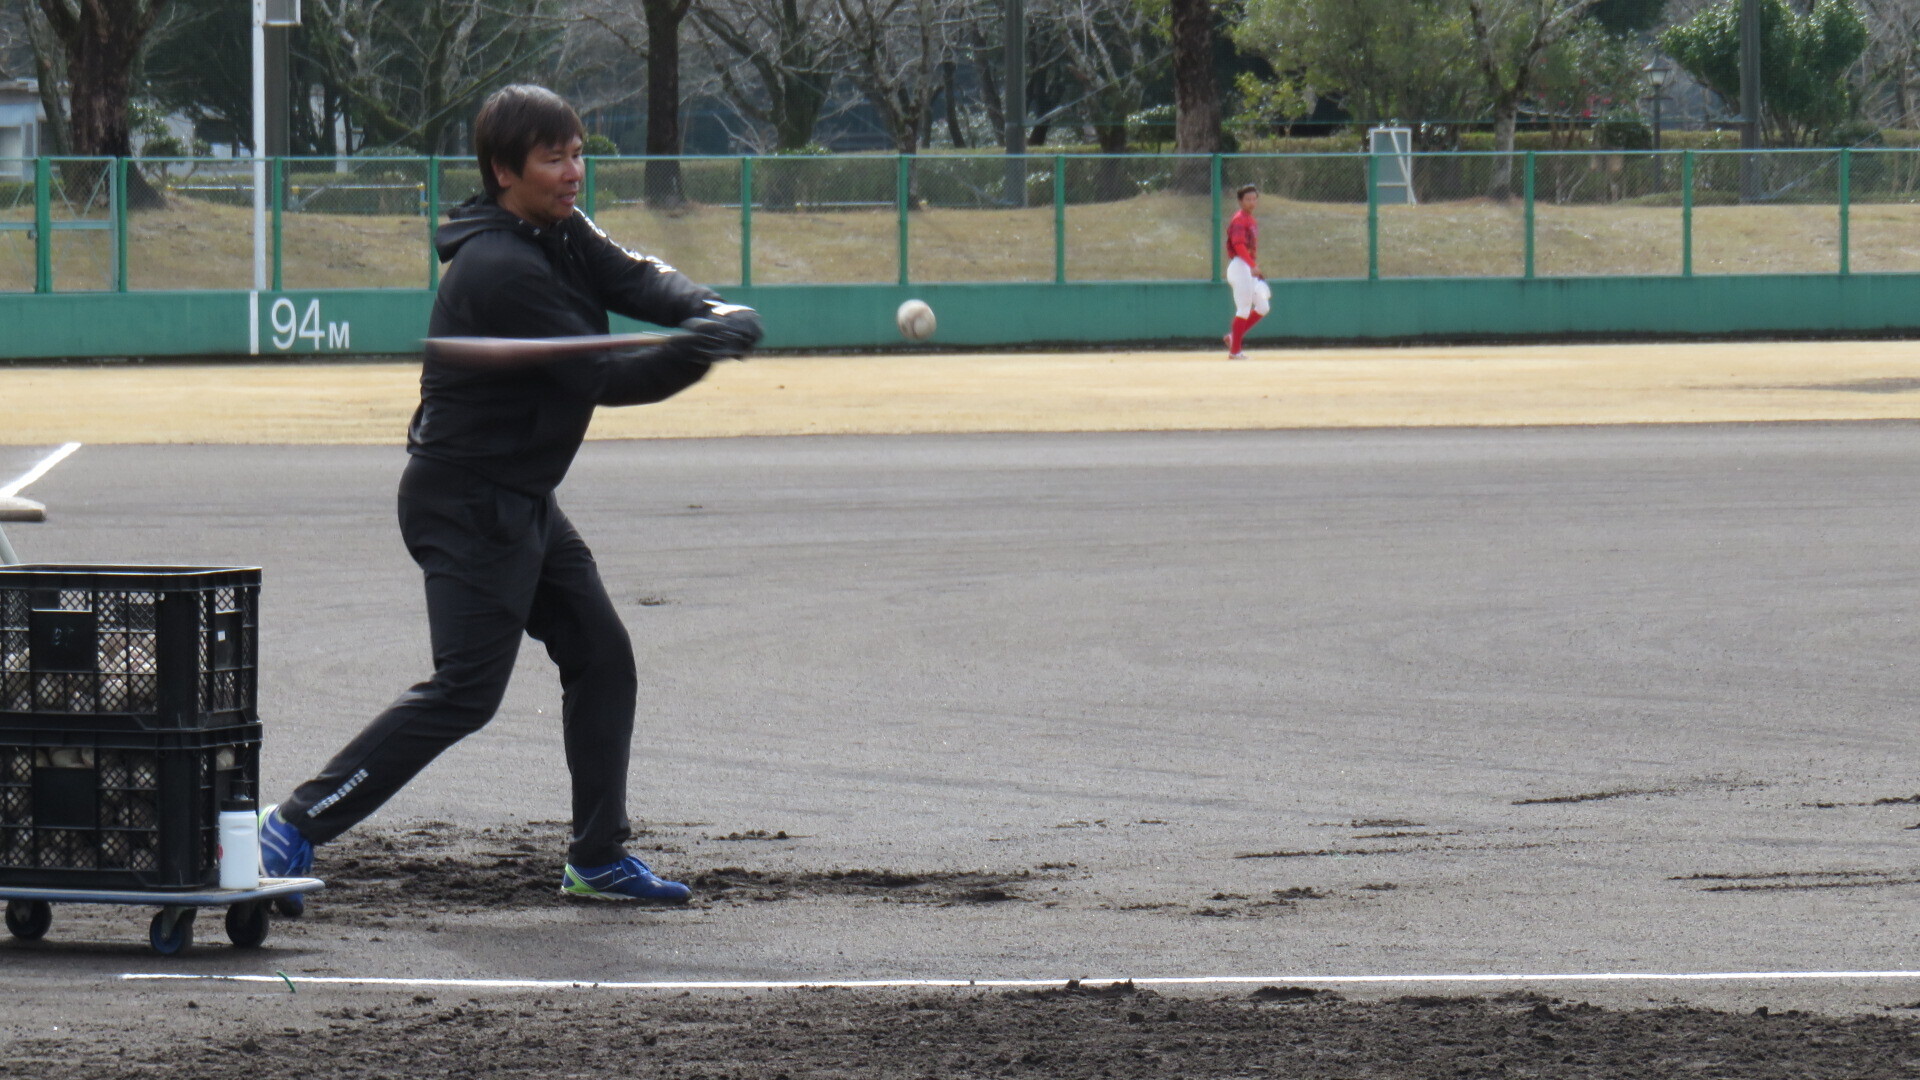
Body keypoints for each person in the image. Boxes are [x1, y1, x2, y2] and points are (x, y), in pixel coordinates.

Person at [256, 85, 762, 906]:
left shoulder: (558, 230)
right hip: (466, 504)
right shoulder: (501, 269)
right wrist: (698, 353)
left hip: (518, 496)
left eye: (577, 154)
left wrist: (706, 309)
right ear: (503, 171)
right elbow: (605, 378)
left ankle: (597, 859)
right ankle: (291, 826)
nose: (573, 173)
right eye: (553, 159)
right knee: (465, 691)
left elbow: (635, 275)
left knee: (602, 657)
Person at [1223, 184, 1271, 361]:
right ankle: (1235, 351)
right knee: (1243, 308)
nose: (1252, 202)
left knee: (1263, 307)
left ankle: (1233, 337)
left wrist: (1253, 267)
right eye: (1248, 199)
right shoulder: (1239, 219)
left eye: (1254, 199)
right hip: (1240, 266)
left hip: (1247, 267)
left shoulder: (1250, 219)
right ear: (1240, 201)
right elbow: (1238, 245)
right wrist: (1251, 265)